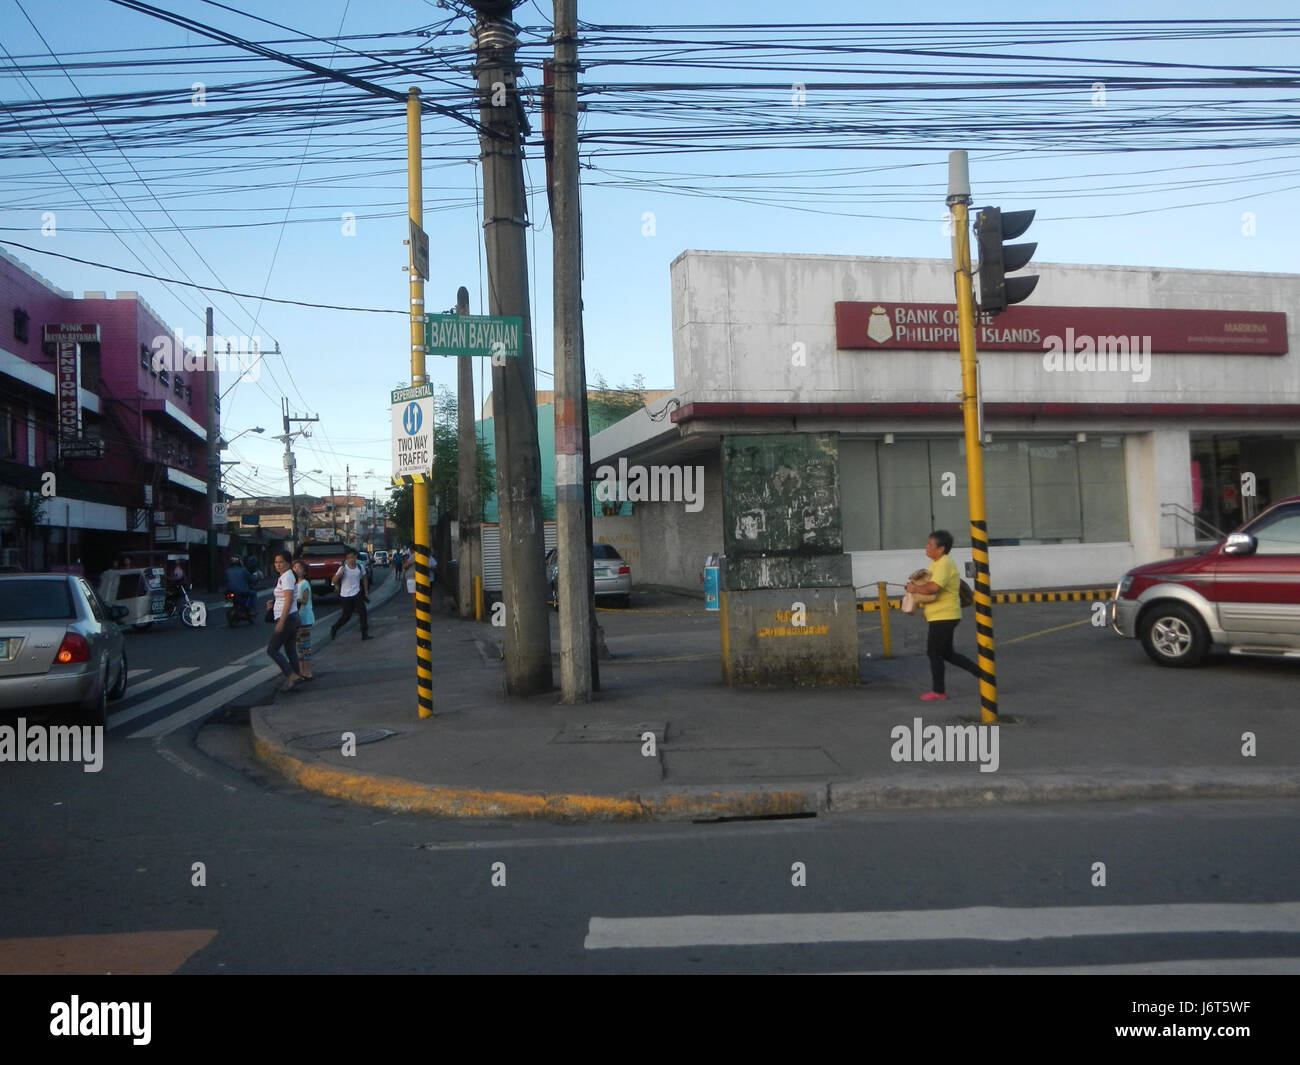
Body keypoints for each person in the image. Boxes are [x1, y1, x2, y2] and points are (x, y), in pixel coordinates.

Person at [905, 529, 981, 702]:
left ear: (941, 549)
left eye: (931, 545)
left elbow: (933, 588)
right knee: (947, 653)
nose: (927, 547)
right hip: (939, 615)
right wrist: (927, 610)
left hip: (945, 615)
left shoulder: (945, 563)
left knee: (934, 652)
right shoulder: (936, 564)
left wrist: (914, 589)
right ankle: (983, 674)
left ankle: (939, 691)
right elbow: (932, 592)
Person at [266, 551, 304, 692]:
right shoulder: (285, 576)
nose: (278, 565)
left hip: (288, 619)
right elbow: (285, 598)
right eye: (276, 562)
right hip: (292, 617)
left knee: (272, 649)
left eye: (281, 562)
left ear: (288, 563)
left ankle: (291, 675)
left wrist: (281, 622)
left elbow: (288, 600)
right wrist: (273, 604)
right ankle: (296, 677)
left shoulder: (287, 577)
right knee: (290, 650)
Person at [330, 547, 373, 641]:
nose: (351, 560)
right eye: (349, 558)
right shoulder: (343, 568)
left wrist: (366, 591)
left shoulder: (359, 567)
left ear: (356, 557)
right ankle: (334, 628)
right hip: (346, 595)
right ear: (346, 559)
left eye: (353, 557)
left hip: (357, 593)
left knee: (363, 613)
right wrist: (339, 574)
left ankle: (364, 634)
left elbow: (365, 577)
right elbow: (333, 581)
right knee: (346, 616)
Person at [292, 558, 315, 681]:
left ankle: (307, 672)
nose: (296, 570)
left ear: (304, 572)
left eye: (299, 568)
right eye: (294, 567)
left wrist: (292, 600)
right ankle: (302, 672)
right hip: (298, 618)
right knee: (300, 646)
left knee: (305, 646)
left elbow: (305, 600)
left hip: (305, 619)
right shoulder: (295, 584)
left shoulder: (304, 583)